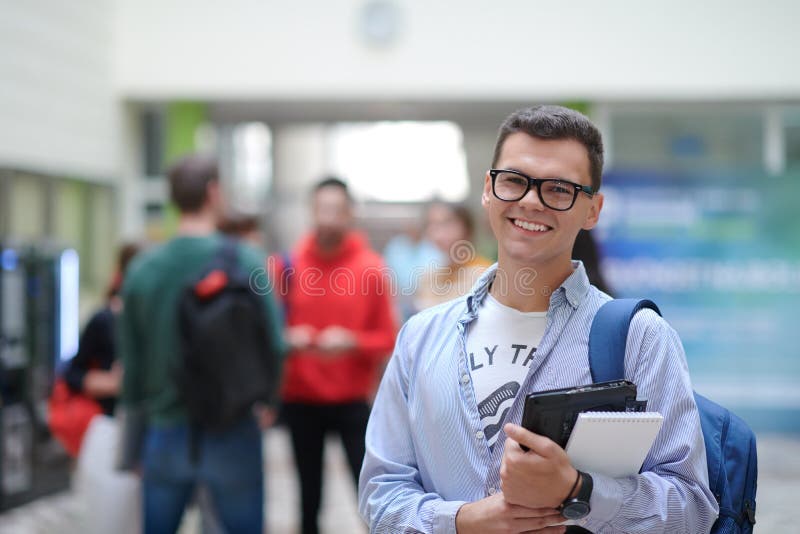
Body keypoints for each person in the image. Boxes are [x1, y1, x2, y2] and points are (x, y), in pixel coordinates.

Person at [359, 106, 718, 533]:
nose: (531, 200)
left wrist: (578, 490)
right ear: (488, 190)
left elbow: (693, 509)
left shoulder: (640, 338)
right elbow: (380, 494)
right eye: (514, 180)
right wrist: (463, 521)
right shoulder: (421, 336)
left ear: (592, 210)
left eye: (559, 188)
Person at [117, 154, 284, 534]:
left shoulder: (143, 269)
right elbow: (275, 344)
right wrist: (270, 402)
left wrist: (133, 441)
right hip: (235, 427)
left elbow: (132, 364)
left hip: (165, 428)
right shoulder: (247, 259)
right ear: (213, 192)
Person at [272, 177, 397, 534]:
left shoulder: (370, 267)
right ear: (311, 212)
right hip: (300, 398)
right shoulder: (288, 265)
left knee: (368, 494)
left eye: (335, 210)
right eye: (320, 209)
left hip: (352, 401)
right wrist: (287, 338)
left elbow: (388, 337)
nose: (327, 218)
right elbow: (269, 332)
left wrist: (352, 342)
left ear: (349, 214)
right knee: (307, 497)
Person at [63, 243, 140, 416]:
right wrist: (113, 383)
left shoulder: (157, 318)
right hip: (110, 419)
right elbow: (72, 374)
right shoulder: (104, 320)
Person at [414, 201, 493, 311]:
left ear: (466, 227)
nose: (436, 232)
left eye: (446, 223)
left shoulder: (485, 273)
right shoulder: (430, 277)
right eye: (431, 224)